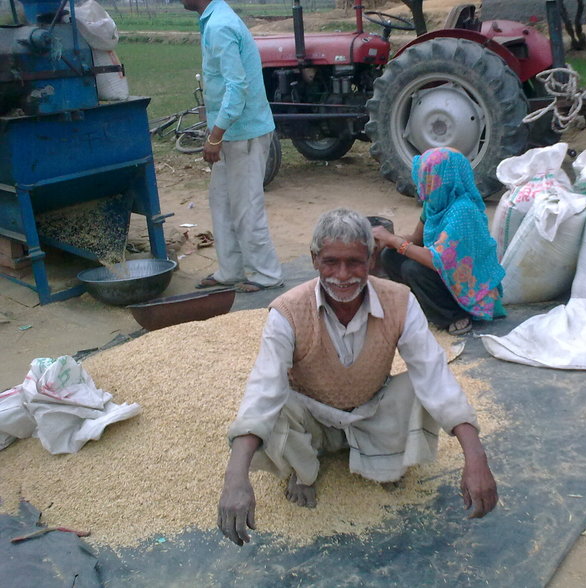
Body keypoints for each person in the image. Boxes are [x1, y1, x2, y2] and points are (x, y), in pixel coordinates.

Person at [217, 208, 497, 546]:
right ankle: (303, 469)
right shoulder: (288, 310)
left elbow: (433, 374)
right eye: (331, 262)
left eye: (355, 262)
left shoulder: (400, 301)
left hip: (369, 409)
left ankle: (379, 456)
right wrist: (236, 475)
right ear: (314, 260)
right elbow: (265, 385)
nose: (343, 275)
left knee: (417, 388)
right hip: (310, 414)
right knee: (274, 407)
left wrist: (476, 456)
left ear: (372, 259)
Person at [183, 0, 284, 293]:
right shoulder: (215, 21)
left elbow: (237, 86)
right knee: (222, 201)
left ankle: (267, 274)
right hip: (232, 132)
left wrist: (215, 136)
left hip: (243, 132)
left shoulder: (220, 25)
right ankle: (230, 270)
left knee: (245, 206)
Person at [372, 147, 506, 337]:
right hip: (445, 271)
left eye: (429, 176)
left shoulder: (462, 211)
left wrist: (393, 239)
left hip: (467, 282)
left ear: (444, 178)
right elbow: (416, 239)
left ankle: (455, 315)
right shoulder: (434, 203)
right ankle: (425, 305)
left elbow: (439, 262)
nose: (423, 183)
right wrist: (386, 241)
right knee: (391, 256)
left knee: (414, 269)